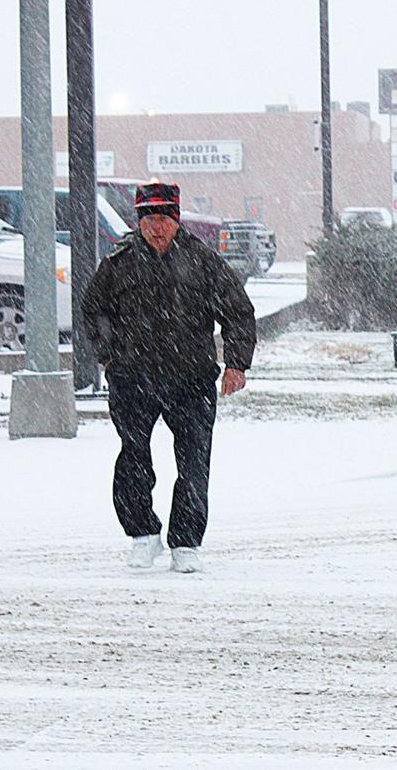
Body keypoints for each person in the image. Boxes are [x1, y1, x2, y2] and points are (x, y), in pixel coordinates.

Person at [82, 183, 256, 573]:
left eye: (162, 219)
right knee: (133, 456)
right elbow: (94, 311)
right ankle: (142, 534)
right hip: (133, 378)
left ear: (176, 219)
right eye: (147, 219)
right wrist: (110, 356)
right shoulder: (119, 263)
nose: (155, 228)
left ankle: (186, 542)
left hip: (191, 378)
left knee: (194, 461)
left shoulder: (202, 262)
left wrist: (236, 363)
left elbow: (238, 312)